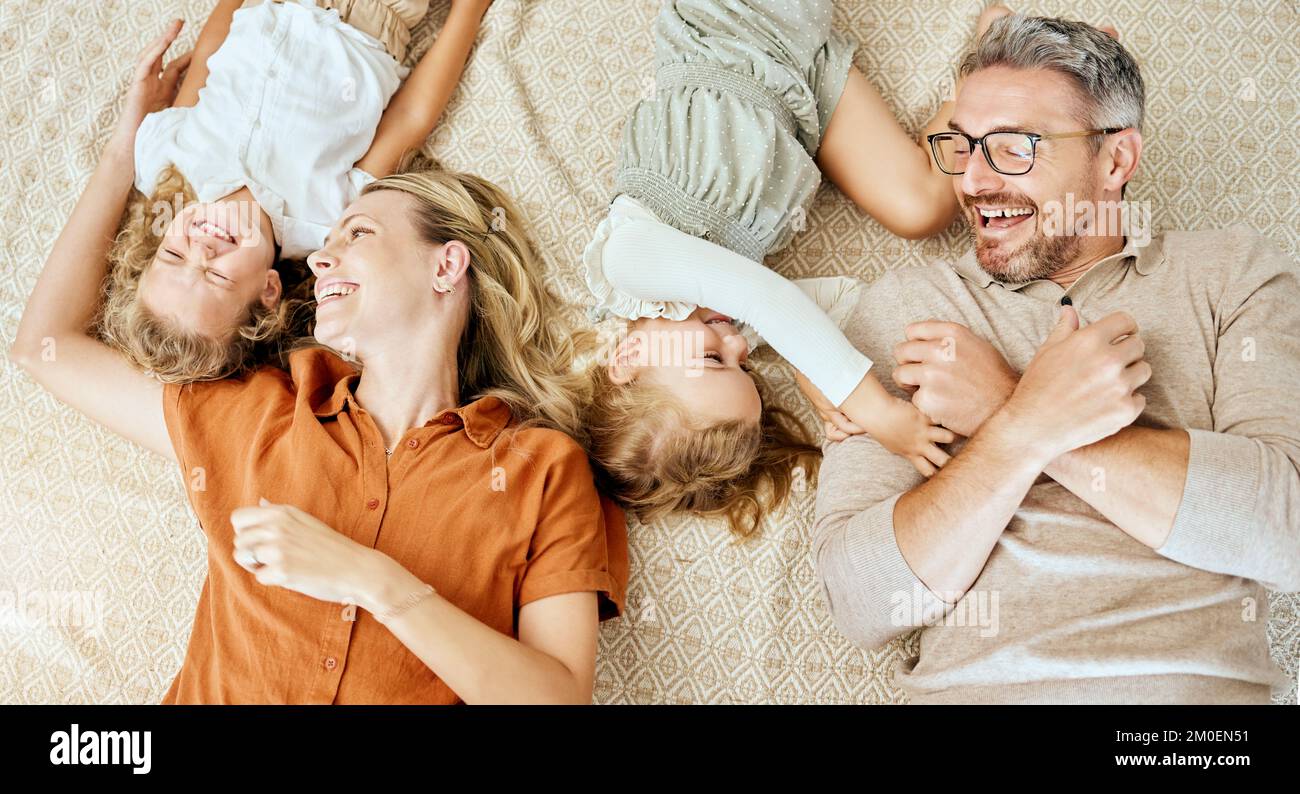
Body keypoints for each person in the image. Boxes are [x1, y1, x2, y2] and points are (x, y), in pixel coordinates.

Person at [10, 24, 627, 704]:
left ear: (448, 265)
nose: (320, 258)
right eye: (327, 242)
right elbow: (46, 347)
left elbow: (558, 698)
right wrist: (124, 149)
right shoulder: (254, 416)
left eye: (357, 234)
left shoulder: (544, 471)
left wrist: (373, 581)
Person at [806, 13, 1297, 703]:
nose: (973, 183)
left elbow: (1287, 534)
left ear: (1116, 159)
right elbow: (861, 600)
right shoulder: (908, 309)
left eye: (1013, 147)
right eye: (962, 146)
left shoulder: (1235, 276)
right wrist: (1024, 425)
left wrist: (1004, 405)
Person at [580, 2, 1013, 535]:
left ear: (629, 357)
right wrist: (813, 374)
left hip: (733, 31)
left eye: (717, 362)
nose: (739, 347)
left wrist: (875, 410)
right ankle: (989, 67)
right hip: (802, 94)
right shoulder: (723, 327)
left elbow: (768, 299)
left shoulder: (625, 264)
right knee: (921, 208)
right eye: (745, 370)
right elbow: (835, 300)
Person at [101, 0, 490, 382]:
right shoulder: (328, 220)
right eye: (215, 276)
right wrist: (468, 12)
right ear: (269, 291)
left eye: (172, 254)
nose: (201, 250)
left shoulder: (163, 163)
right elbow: (409, 118)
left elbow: (209, 56)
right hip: (370, 18)